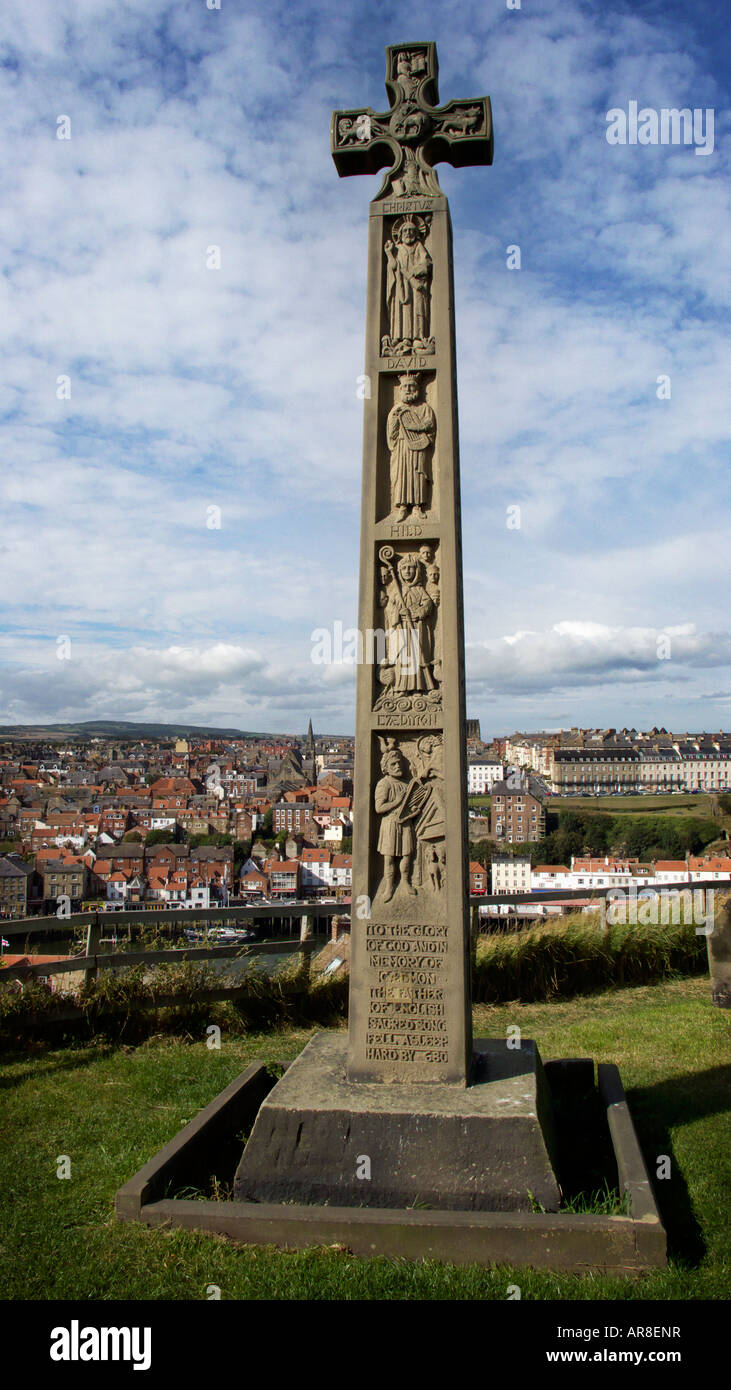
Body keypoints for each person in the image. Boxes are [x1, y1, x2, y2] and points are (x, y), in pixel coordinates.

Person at [386, 372, 435, 522]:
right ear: (400, 390)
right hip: (401, 447)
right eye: (405, 387)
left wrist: (418, 428)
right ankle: (401, 507)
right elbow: (391, 432)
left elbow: (430, 425)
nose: (408, 389)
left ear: (417, 389)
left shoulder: (424, 408)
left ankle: (417, 507)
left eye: (411, 386)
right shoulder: (396, 410)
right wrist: (395, 419)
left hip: (418, 447)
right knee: (402, 474)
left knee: (417, 474)